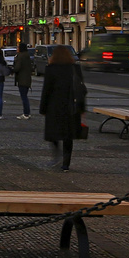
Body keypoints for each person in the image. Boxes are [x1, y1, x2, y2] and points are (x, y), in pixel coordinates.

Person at [39, 44, 86, 172]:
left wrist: (43, 108)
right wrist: (82, 108)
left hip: (54, 106)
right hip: (71, 106)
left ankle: (57, 154)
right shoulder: (75, 68)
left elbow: (46, 90)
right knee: (68, 136)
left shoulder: (51, 69)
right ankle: (66, 163)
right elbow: (81, 90)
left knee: (52, 133)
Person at [12, 42, 35, 119]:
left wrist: (12, 70)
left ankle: (26, 113)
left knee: (24, 97)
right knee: (25, 96)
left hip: (22, 79)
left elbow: (17, 68)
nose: (16, 49)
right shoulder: (26, 55)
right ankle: (27, 113)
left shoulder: (20, 56)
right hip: (27, 79)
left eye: (18, 47)